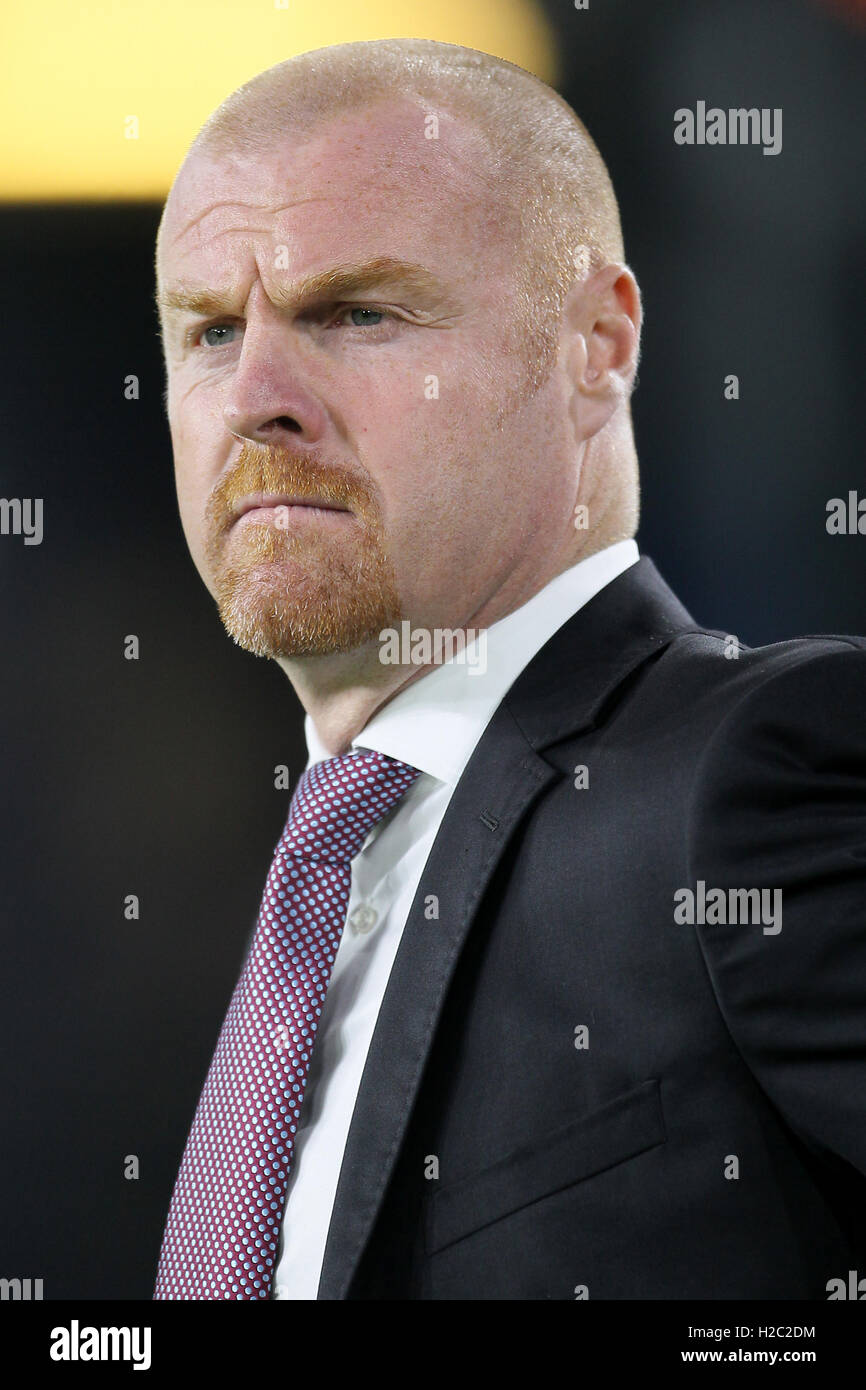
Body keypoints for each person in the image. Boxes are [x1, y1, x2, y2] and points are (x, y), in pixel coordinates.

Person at [151, 37, 866, 1301]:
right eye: (210, 330)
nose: (255, 392)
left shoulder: (758, 773)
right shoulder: (317, 884)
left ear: (594, 345)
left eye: (356, 312)